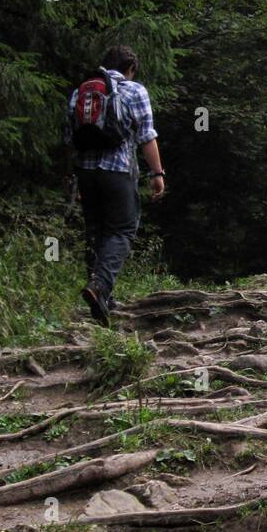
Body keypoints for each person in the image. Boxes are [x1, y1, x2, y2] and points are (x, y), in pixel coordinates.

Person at [63, 44, 165, 326]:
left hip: (86, 172)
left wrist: (71, 176)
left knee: (95, 232)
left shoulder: (81, 91)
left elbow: (69, 139)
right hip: (117, 171)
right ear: (130, 68)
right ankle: (99, 287)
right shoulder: (134, 90)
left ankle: (102, 300)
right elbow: (146, 135)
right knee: (122, 230)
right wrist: (157, 173)